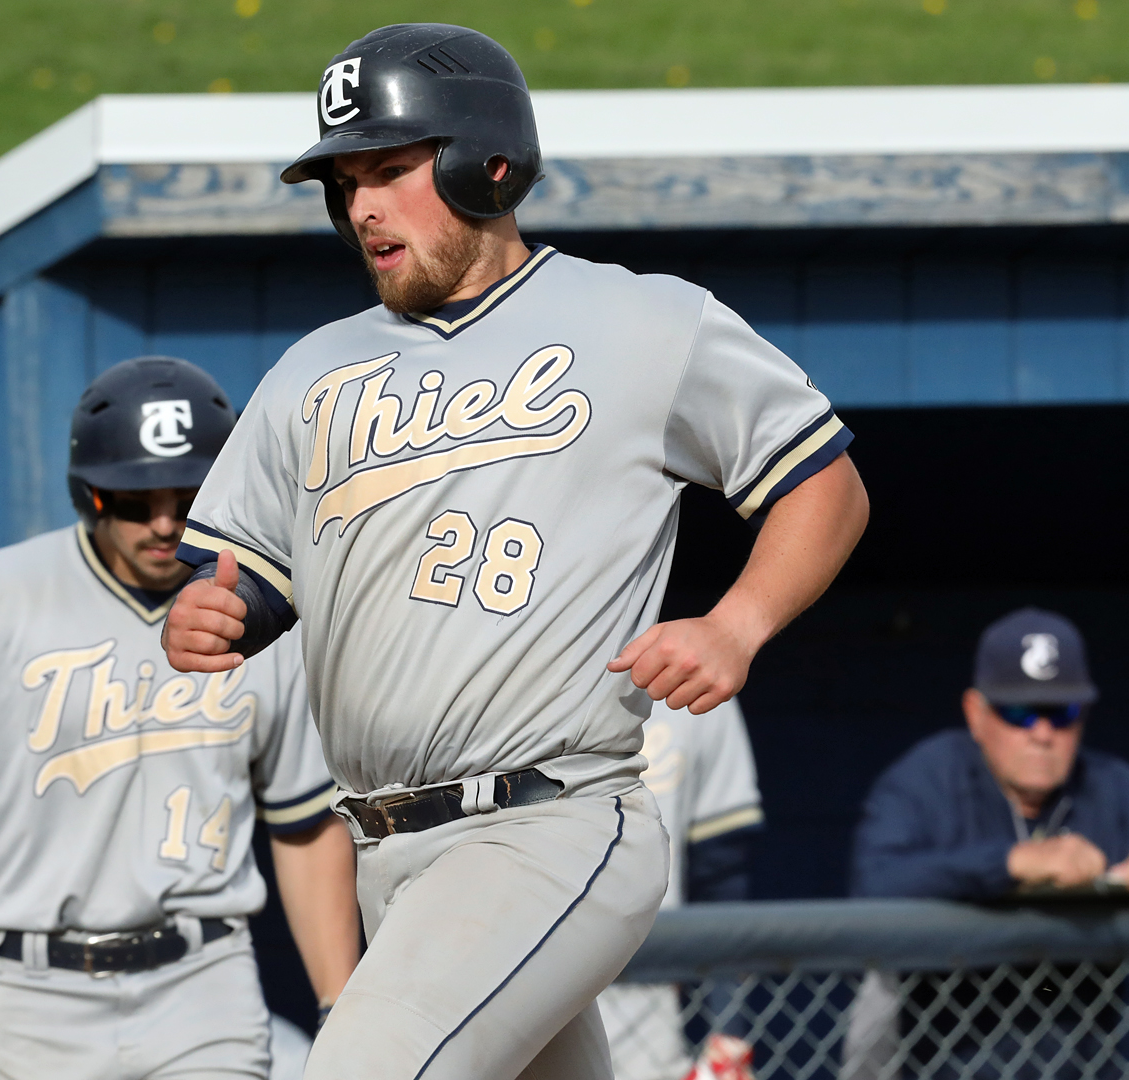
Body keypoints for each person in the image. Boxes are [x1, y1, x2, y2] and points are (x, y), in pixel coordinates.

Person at [162, 23, 869, 1080]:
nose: (362, 206)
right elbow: (249, 578)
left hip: (550, 823)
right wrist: (210, 617)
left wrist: (738, 622)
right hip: (387, 855)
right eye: (345, 181)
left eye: (392, 171)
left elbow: (826, 481)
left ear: (487, 164)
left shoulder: (640, 319)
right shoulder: (313, 373)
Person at [0, 358, 361, 1080]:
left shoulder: (260, 613)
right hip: (34, 992)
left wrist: (340, 1007)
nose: (162, 522)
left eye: (186, 495)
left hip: (203, 985)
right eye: (132, 498)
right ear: (89, 494)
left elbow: (305, 826)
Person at [852, 607, 1129, 906]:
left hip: (1070, 1023)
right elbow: (875, 881)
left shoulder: (1109, 785)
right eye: (1019, 713)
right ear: (976, 714)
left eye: (1062, 712)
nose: (1042, 733)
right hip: (942, 1021)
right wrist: (1012, 863)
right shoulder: (928, 778)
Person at [598, 699, 764, 1080]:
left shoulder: (695, 667)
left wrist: (729, 1029)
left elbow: (721, 876)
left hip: (643, 989)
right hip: (516, 972)